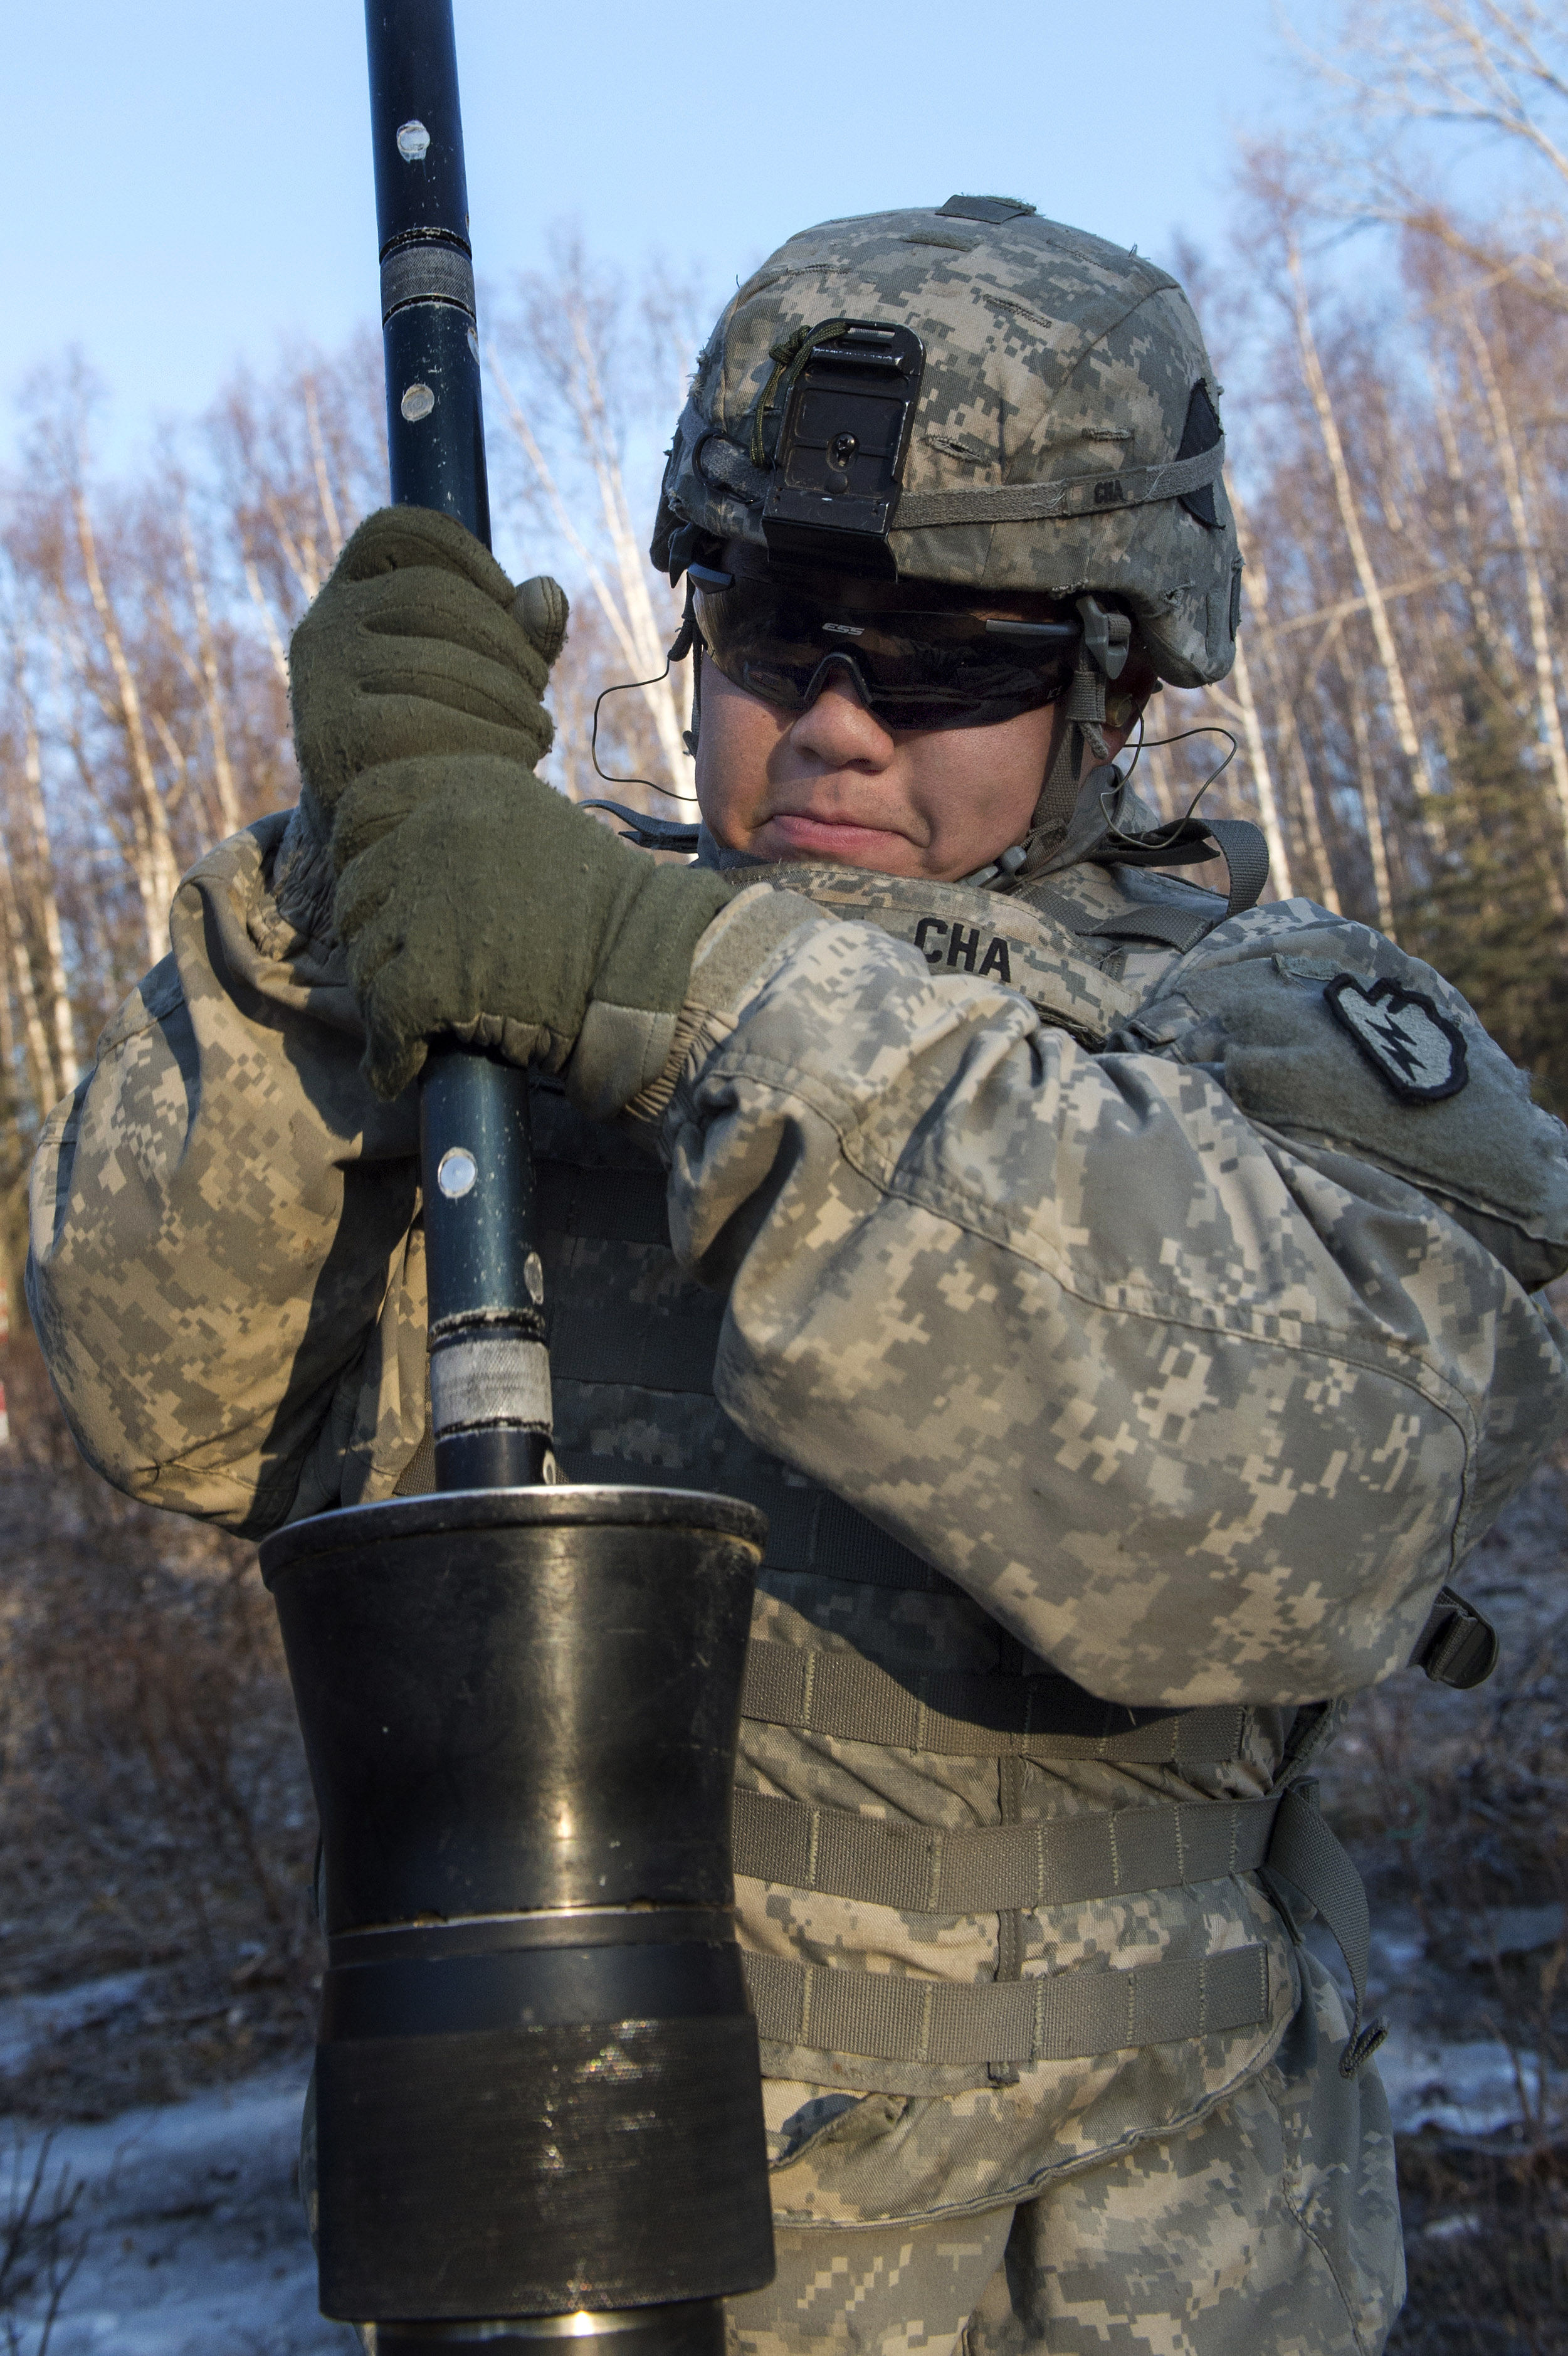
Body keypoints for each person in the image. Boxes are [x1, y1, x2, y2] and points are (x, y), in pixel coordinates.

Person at [27, 198, 1568, 2356]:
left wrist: (680, 989)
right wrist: (334, 902)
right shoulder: (502, 995)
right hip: (539, 2255)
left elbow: (1298, 1515)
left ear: (1117, 675)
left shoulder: (1284, 1044)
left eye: (950, 660)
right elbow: (162, 1400)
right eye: (781, 627)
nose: (841, 721)